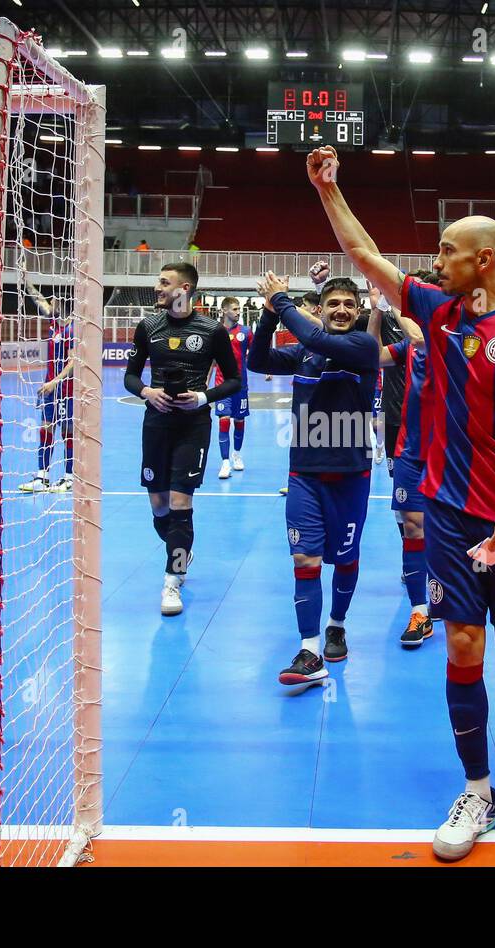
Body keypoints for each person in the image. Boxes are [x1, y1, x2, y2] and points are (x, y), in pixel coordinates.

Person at [307, 143, 495, 862]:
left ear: (485, 260)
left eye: (449, 251)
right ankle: (477, 789)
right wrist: (330, 189)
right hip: (447, 514)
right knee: (460, 642)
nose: (436, 259)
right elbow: (363, 255)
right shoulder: (434, 309)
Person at [247, 271, 379, 686]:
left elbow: (321, 339)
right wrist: (269, 315)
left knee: (344, 557)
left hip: (351, 475)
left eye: (349, 305)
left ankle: (336, 623)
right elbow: (257, 361)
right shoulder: (306, 351)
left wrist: (281, 299)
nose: (341, 310)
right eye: (333, 304)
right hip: (303, 474)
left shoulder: (364, 346)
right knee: (304, 559)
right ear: (320, 309)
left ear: (358, 314)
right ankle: (308, 650)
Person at [124, 262, 241, 616]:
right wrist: (147, 392)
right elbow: (130, 377)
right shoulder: (148, 327)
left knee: (180, 503)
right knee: (159, 506)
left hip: (193, 426)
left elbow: (234, 380)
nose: (157, 287)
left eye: (164, 282)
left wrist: (203, 397)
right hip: (156, 425)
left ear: (185, 288)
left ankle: (173, 579)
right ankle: (180, 547)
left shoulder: (212, 330)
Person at [369, 276, 432, 646]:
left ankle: (447, 599)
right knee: (412, 526)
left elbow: (423, 337)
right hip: (410, 450)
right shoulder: (408, 346)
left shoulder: (448, 334)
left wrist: (394, 301)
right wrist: (376, 310)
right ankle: (419, 610)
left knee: (446, 532)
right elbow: (374, 355)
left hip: (449, 450)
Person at [19, 286, 76, 492]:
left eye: (54, 303)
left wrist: (55, 381)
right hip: (50, 389)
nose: (50, 305)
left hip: (66, 389)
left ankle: (69, 477)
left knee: (67, 431)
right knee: (45, 427)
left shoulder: (72, 329)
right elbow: (39, 300)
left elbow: (73, 361)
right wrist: (26, 281)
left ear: (62, 305)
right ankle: (42, 477)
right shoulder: (55, 324)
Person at [213, 297, 250, 479]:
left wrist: (267, 369)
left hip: (241, 385)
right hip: (222, 384)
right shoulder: (215, 332)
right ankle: (225, 462)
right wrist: (204, 381)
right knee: (224, 419)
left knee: (239, 421)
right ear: (224, 311)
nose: (238, 311)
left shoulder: (246, 331)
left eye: (239, 308)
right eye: (234, 309)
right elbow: (210, 359)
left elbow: (258, 353)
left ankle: (237, 454)